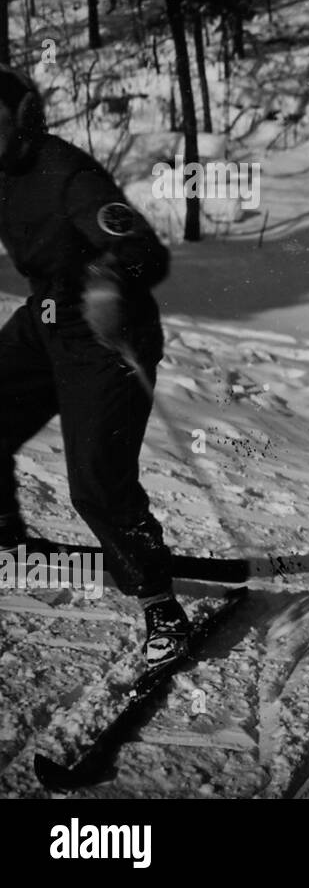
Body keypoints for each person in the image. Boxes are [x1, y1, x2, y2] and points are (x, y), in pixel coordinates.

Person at [0, 65, 187, 667]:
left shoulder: (65, 172)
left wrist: (110, 279)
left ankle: (161, 605)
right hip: (46, 317)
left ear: (22, 120)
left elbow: (144, 253)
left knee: (97, 481)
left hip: (107, 331)